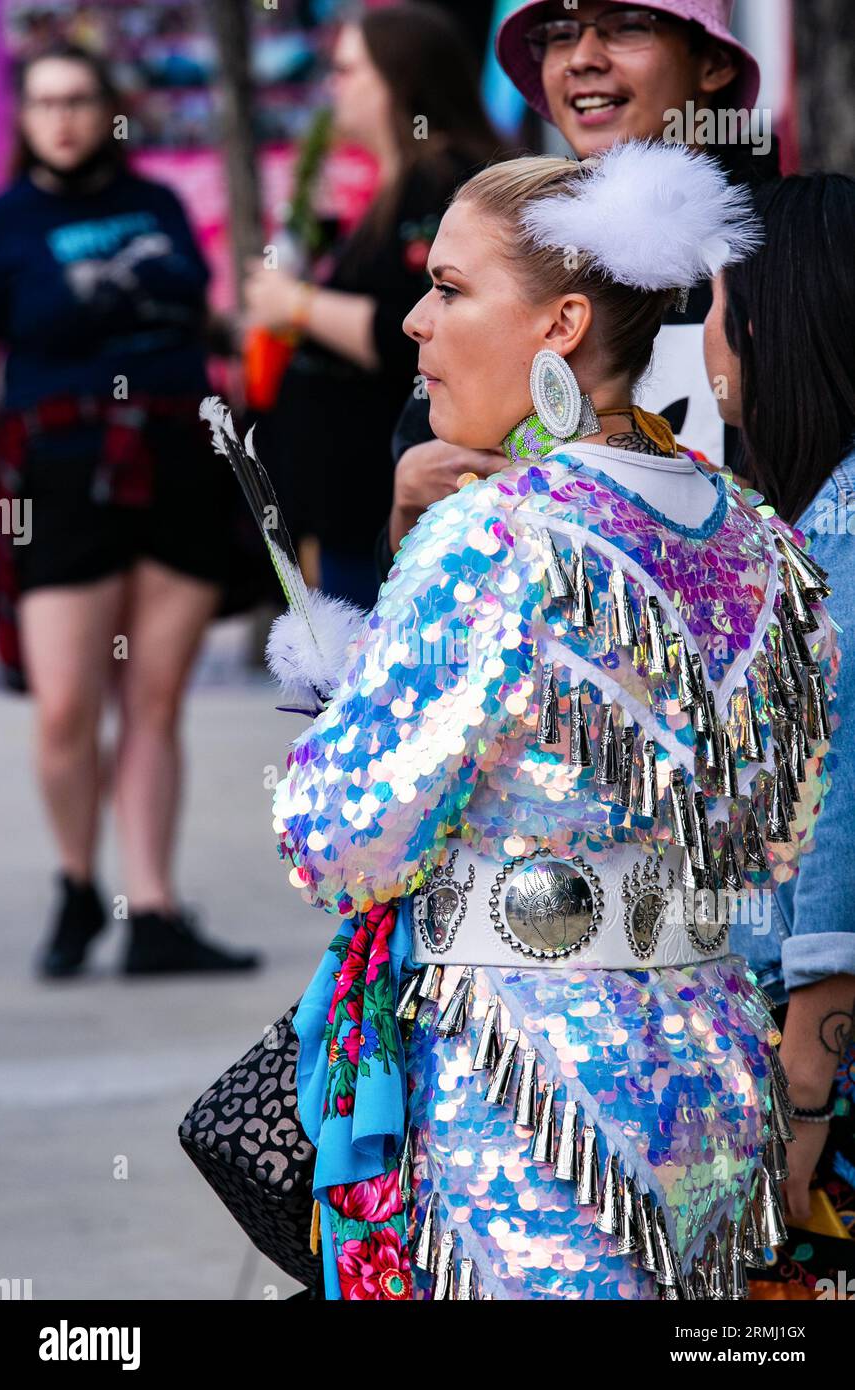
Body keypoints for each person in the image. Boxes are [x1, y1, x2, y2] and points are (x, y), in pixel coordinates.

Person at [268, 141, 841, 1300]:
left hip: (528, 1110)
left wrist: (340, 717)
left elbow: (335, 837)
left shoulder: (494, 537)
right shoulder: (758, 540)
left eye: (449, 286)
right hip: (712, 1084)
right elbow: (781, 837)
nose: (415, 325)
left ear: (561, 323)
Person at [0, 45, 260, 977]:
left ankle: (151, 909)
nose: (63, 119)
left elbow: (199, 317)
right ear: (23, 118)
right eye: (44, 103)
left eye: (79, 100)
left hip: (176, 460)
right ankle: (75, 885)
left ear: (109, 110)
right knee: (65, 706)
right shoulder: (4, 224)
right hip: (60, 476)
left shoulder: (159, 205)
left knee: (153, 700)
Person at [380, 0, 774, 581]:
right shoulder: (505, 242)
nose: (582, 59)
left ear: (713, 62)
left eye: (628, 26)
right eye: (559, 35)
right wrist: (410, 508)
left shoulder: (791, 253)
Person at [704, 174, 855, 1293]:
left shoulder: (841, 553)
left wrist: (803, 1098)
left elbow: (841, 848)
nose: (704, 338)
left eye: (715, 306)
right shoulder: (820, 522)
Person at [243, 2, 501, 611]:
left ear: (400, 77)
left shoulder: (445, 181)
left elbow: (412, 333)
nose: (332, 87)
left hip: (388, 500)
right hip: (355, 499)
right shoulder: (402, 180)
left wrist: (296, 304)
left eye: (347, 70)